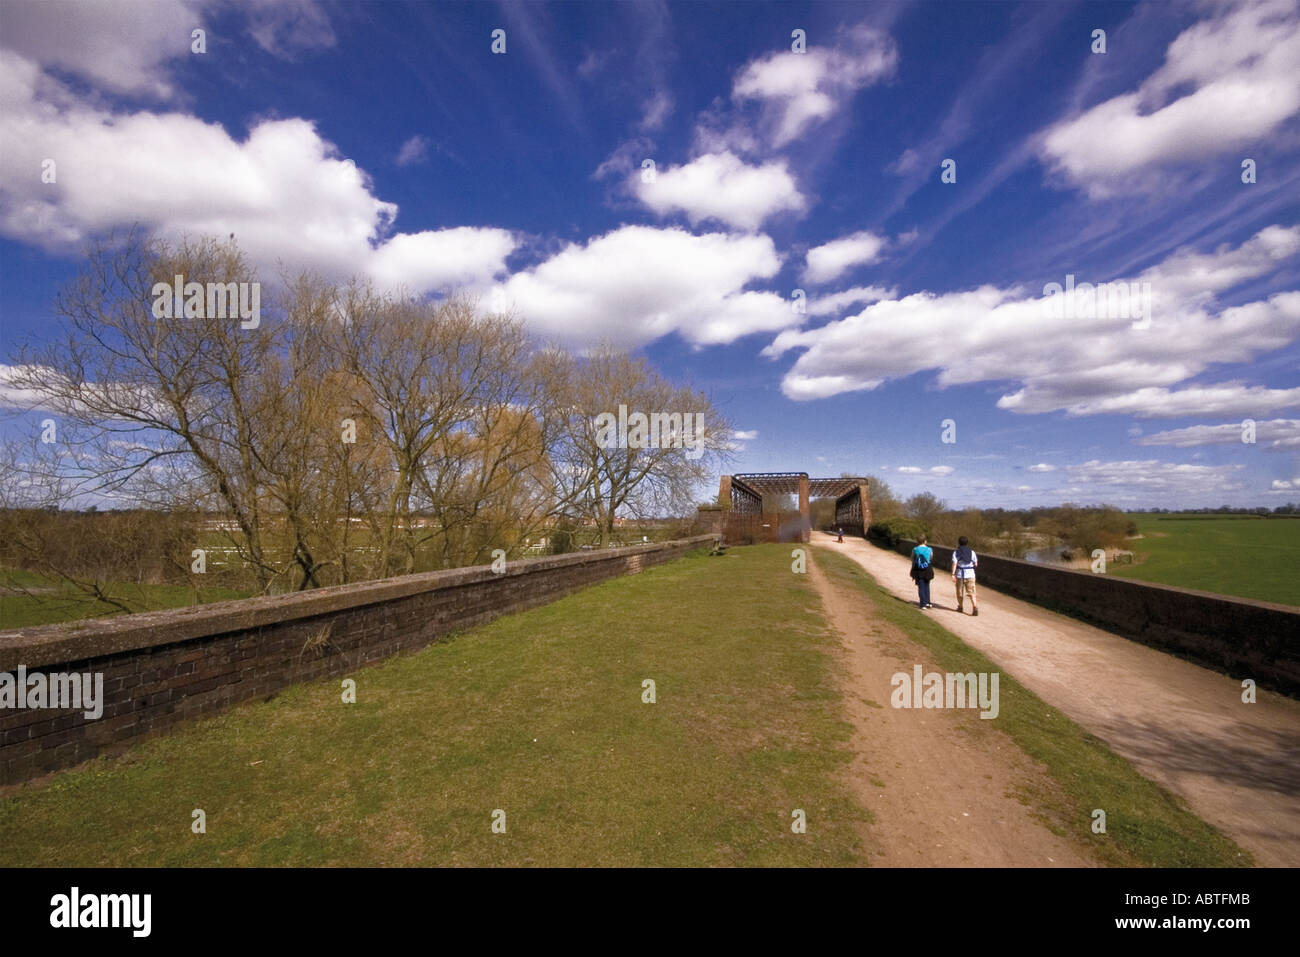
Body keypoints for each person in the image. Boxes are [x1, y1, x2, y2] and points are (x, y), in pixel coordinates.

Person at [952, 535, 979, 616]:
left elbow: (954, 564)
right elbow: (976, 564)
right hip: (971, 574)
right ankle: (974, 606)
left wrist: (953, 574)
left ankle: (960, 607)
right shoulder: (972, 552)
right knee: (972, 592)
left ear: (959, 543)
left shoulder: (956, 552)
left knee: (959, 591)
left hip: (960, 574)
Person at [909, 535, 935, 608]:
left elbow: (912, 558)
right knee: (927, 585)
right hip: (928, 568)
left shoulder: (915, 549)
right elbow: (931, 557)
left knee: (921, 586)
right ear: (925, 541)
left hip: (918, 569)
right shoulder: (929, 549)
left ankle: (923, 604)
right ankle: (928, 602)